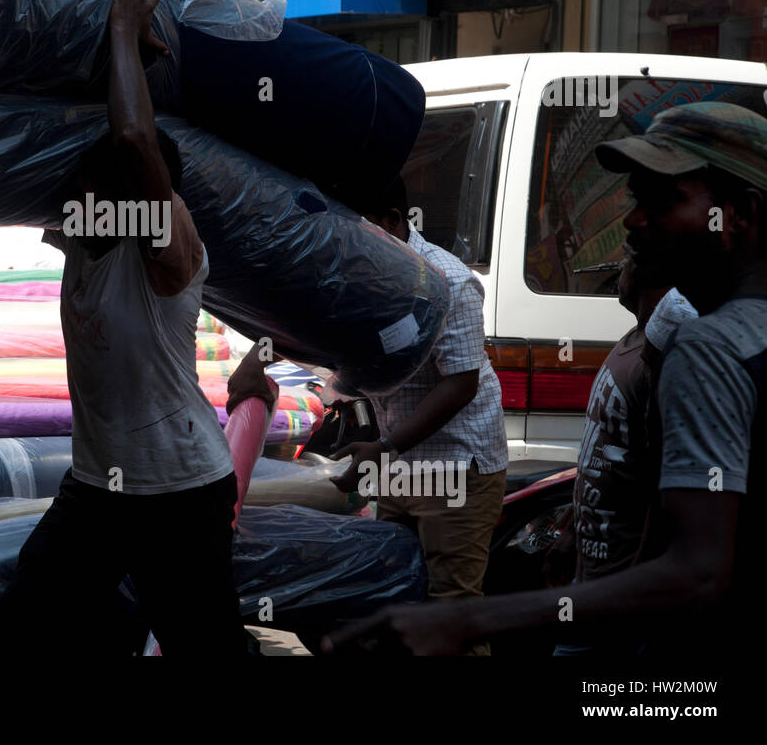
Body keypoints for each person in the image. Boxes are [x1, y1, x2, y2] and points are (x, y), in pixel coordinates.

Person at [324, 101, 766, 655]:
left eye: (663, 201)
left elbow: (698, 571)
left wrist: (470, 621)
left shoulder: (709, 347)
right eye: (635, 199)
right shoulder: (726, 334)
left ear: (742, 214)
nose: (631, 221)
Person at [0, 0, 248, 657]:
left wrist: (121, 22)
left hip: (179, 491)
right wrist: (133, 52)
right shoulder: (83, 238)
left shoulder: (171, 256)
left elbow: (136, 143)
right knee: (26, 625)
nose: (75, 191)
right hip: (98, 490)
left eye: (93, 183)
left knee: (205, 648)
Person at [337, 176, 507, 646]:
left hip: (455, 465)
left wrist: (385, 448)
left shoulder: (449, 281)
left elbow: (461, 384)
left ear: (394, 220)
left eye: (362, 229)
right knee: (396, 596)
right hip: (399, 463)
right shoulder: (363, 272)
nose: (351, 242)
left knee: (452, 611)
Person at [546, 258, 697, 655]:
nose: (620, 270)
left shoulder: (661, 359)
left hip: (618, 589)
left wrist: (631, 588)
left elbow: (664, 491)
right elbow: (602, 454)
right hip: (593, 572)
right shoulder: (635, 339)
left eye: (630, 257)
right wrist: (572, 530)